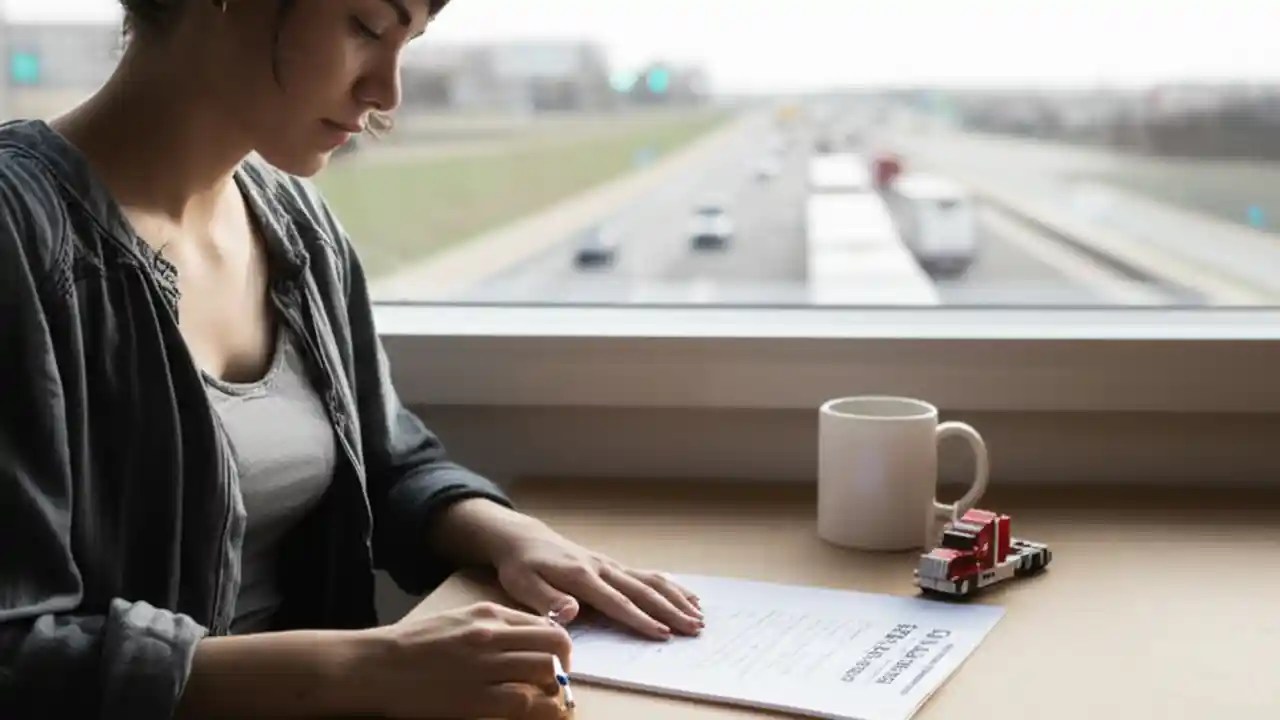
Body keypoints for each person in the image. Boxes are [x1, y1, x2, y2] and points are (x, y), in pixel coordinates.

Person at [0, 1, 705, 718]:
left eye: (408, 44)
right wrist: (367, 668)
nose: (387, 94)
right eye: (366, 28)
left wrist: (516, 536)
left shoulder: (300, 228)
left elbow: (386, 461)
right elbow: (14, 653)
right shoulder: (17, 236)